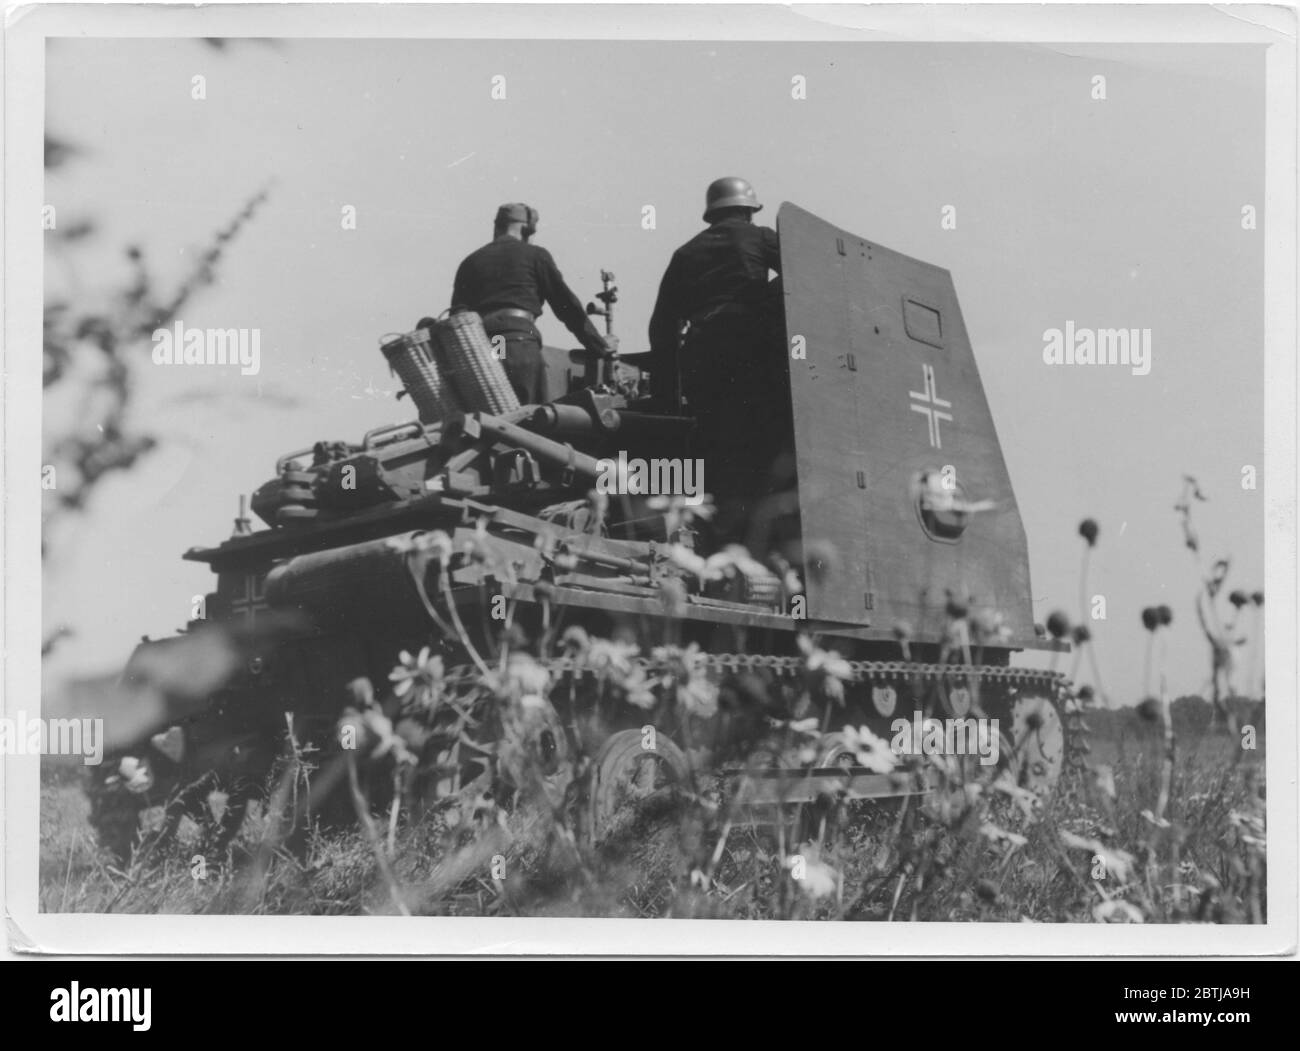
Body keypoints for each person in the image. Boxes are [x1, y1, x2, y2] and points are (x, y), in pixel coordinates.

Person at [646, 177, 790, 535]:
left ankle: (714, 526)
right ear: (747, 210)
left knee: (713, 439)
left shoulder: (685, 253)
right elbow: (802, 276)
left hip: (702, 356)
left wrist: (666, 397)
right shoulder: (758, 238)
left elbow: (661, 325)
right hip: (749, 347)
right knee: (760, 436)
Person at [450, 203, 617, 405]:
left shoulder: (470, 262)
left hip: (486, 350)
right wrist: (599, 346)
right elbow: (567, 307)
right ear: (526, 229)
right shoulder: (535, 255)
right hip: (517, 344)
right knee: (531, 419)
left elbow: (456, 316)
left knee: (497, 412)